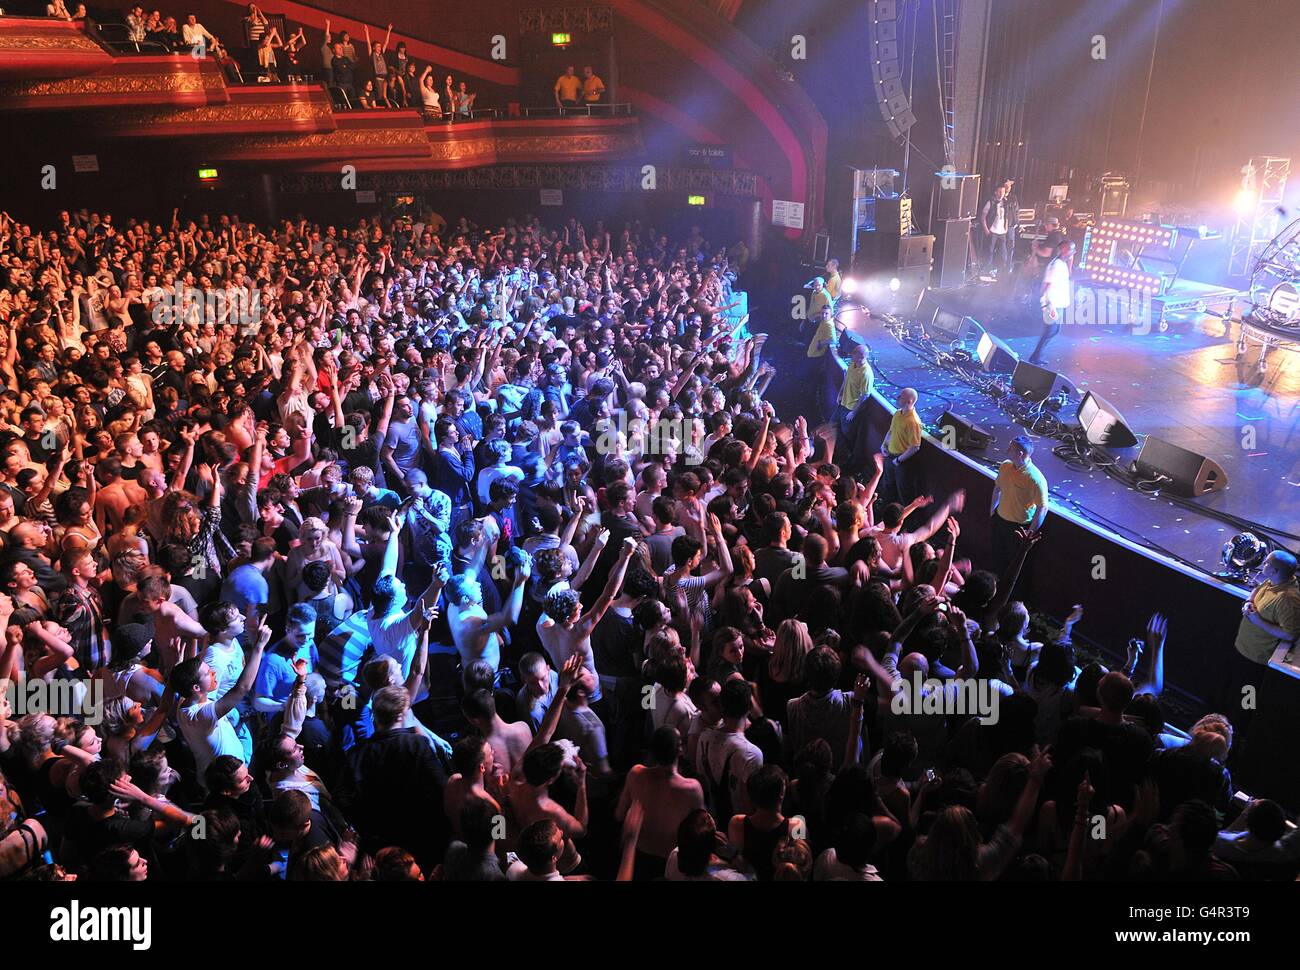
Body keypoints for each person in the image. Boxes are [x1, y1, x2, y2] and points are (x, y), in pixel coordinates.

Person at [989, 435, 1048, 574]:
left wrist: (1029, 534)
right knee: (997, 558)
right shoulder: (1005, 466)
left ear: (1020, 454)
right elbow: (997, 488)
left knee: (1014, 566)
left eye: (1011, 448)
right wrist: (992, 511)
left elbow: (1042, 508)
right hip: (1000, 521)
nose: (1007, 450)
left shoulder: (1035, 478)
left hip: (1018, 529)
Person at [1029, 238, 1072, 364]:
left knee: (1054, 330)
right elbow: (1046, 284)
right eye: (1072, 250)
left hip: (1058, 303)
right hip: (1051, 304)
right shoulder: (1055, 266)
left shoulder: (1063, 264)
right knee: (1050, 330)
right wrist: (1045, 302)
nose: (1074, 252)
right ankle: (1036, 357)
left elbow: (1069, 275)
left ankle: (1037, 356)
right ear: (1065, 250)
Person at [980, 183, 1012, 279]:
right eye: (999, 191)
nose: (1001, 194)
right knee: (989, 252)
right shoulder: (991, 202)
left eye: (1003, 192)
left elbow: (1007, 216)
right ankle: (987, 271)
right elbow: (983, 216)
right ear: (995, 192)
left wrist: (1006, 227)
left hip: (1002, 232)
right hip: (992, 231)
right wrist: (986, 229)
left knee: (1003, 254)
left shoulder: (1005, 203)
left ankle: (999, 272)